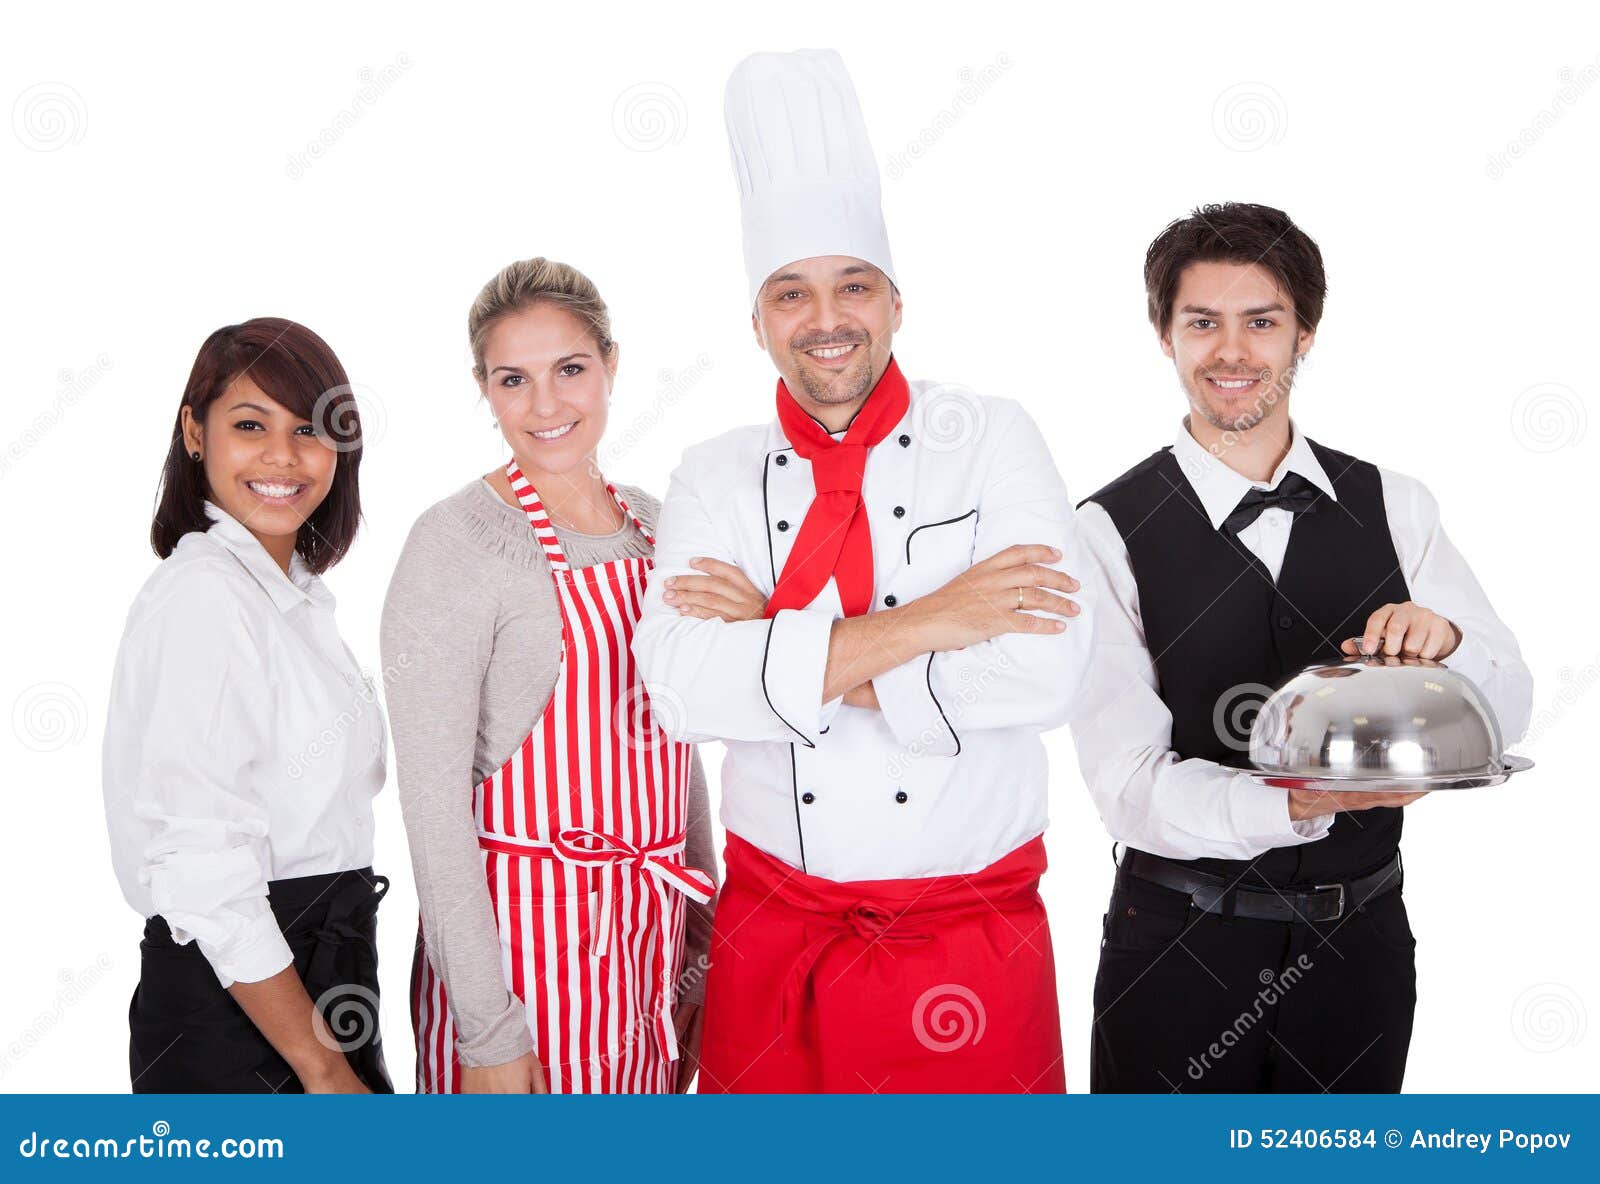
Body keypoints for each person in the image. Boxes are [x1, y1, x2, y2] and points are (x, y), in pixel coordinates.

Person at [631, 49, 1092, 1094]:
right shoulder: (711, 473)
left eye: (853, 286)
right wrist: (938, 617)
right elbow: (680, 691)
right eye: (790, 293)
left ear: (895, 303)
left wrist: (775, 634)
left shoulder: (994, 436)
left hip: (969, 941)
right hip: (774, 937)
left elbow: (1048, 673)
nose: (825, 318)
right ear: (757, 322)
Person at [1069, 202, 1534, 1092]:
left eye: (1262, 322)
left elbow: (1508, 705)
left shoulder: (1396, 503)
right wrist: (1302, 803)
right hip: (1177, 952)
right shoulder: (1103, 531)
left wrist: (1450, 644)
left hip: (1361, 949)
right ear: (1164, 337)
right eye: (1202, 323)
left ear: (1305, 335)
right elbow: (1127, 788)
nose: (1232, 352)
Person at [382, 258, 718, 1094]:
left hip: (648, 956)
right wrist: (487, 1032)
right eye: (513, 380)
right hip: (520, 979)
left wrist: (703, 950)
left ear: (610, 364)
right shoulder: (454, 544)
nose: (544, 406)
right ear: (483, 389)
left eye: (569, 369)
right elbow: (432, 812)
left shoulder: (657, 526)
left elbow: (679, 747)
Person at [104, 317, 391, 1093]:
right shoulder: (205, 597)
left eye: (309, 429)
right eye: (251, 426)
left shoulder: (293, 600)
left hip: (316, 984)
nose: (283, 457)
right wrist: (322, 1068)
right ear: (195, 433)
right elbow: (200, 862)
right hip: (242, 1011)